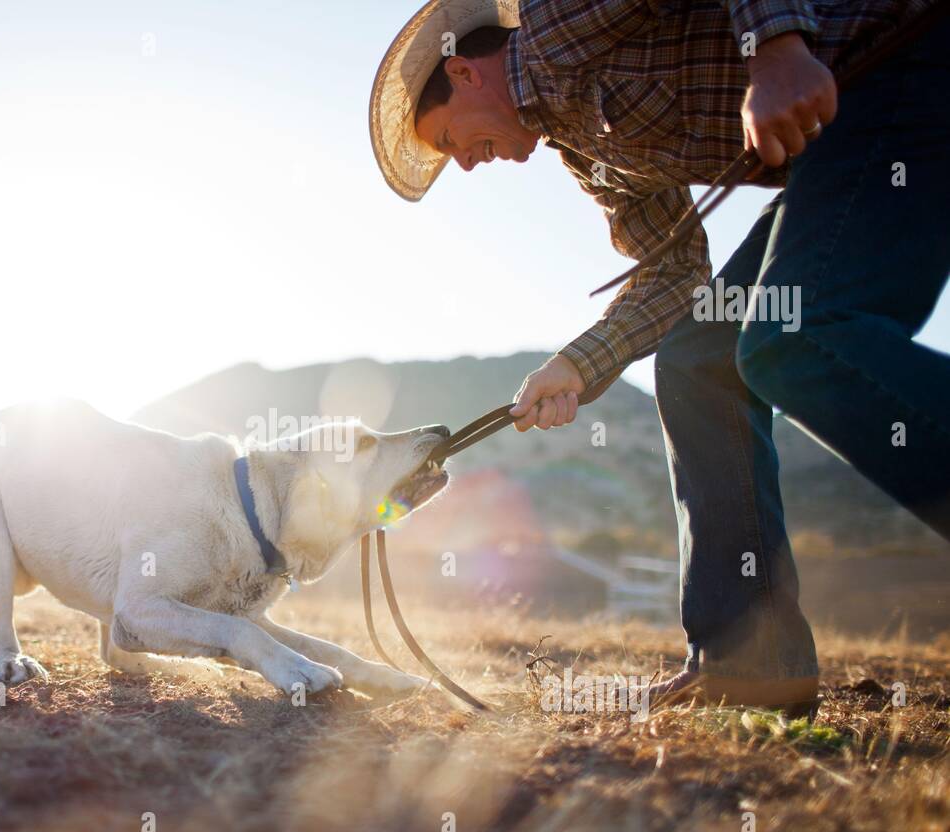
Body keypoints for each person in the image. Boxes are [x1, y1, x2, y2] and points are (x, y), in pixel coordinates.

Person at [369, 0, 949, 713]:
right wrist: (577, 365)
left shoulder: (557, 22)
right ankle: (750, 661)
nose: (462, 163)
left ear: (463, 71)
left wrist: (775, 51)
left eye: (449, 140)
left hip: (902, 61)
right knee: (697, 355)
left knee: (794, 339)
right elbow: (676, 278)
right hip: (844, 142)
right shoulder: (590, 156)